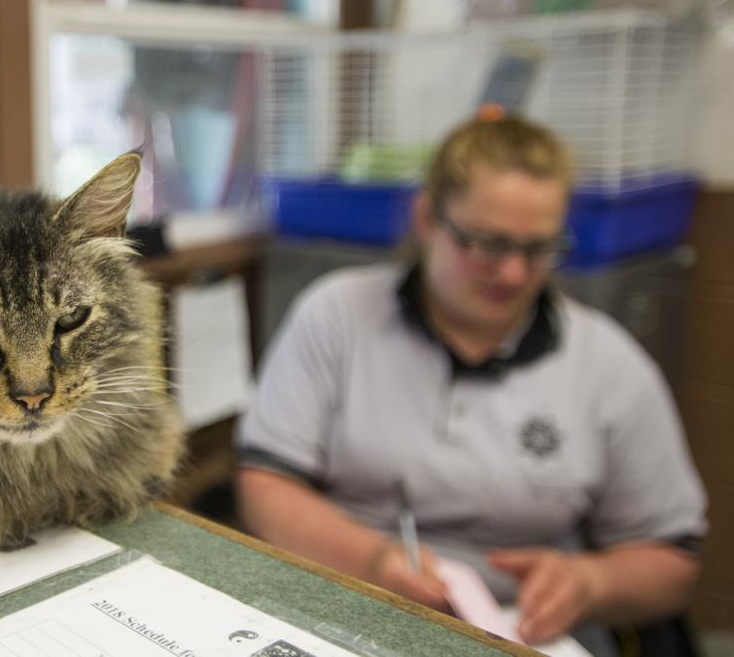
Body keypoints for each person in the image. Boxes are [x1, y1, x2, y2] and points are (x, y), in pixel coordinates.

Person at [236, 116, 707, 655]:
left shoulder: (609, 363)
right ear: (427, 218)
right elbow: (265, 484)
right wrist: (371, 562)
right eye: (486, 244)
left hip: (526, 632)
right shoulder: (336, 315)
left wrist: (590, 583)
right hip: (348, 595)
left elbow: (674, 562)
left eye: (538, 250)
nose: (511, 274)